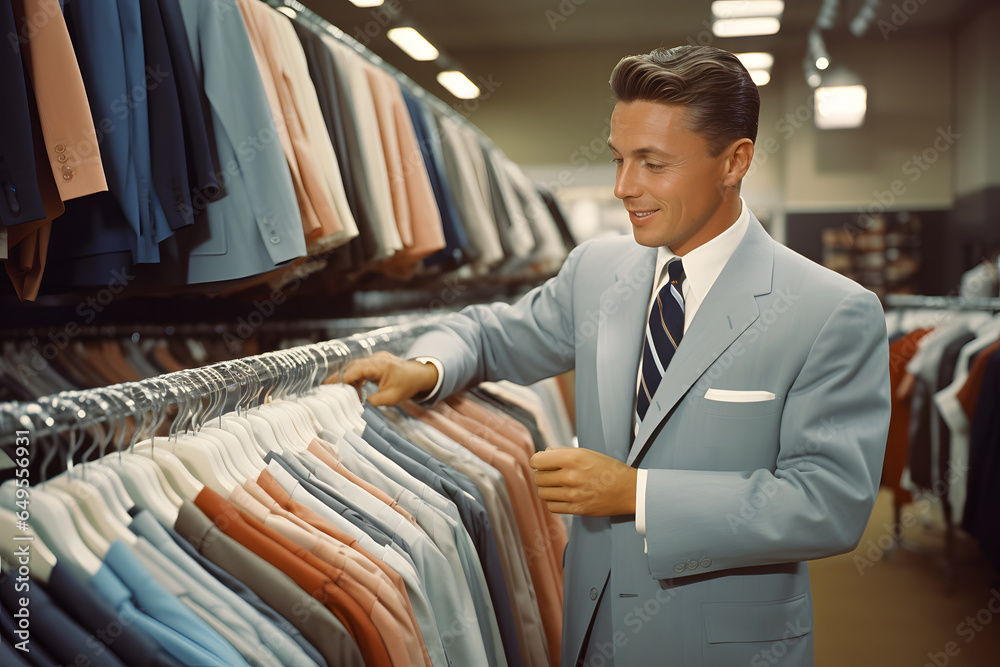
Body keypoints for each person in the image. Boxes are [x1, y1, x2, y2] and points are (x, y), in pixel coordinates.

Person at [335, 45, 891, 667]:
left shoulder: (830, 309)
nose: (625, 187)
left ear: (734, 161)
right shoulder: (597, 271)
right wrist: (427, 367)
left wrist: (637, 493)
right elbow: (492, 333)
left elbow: (829, 504)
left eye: (652, 164)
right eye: (619, 159)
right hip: (591, 629)